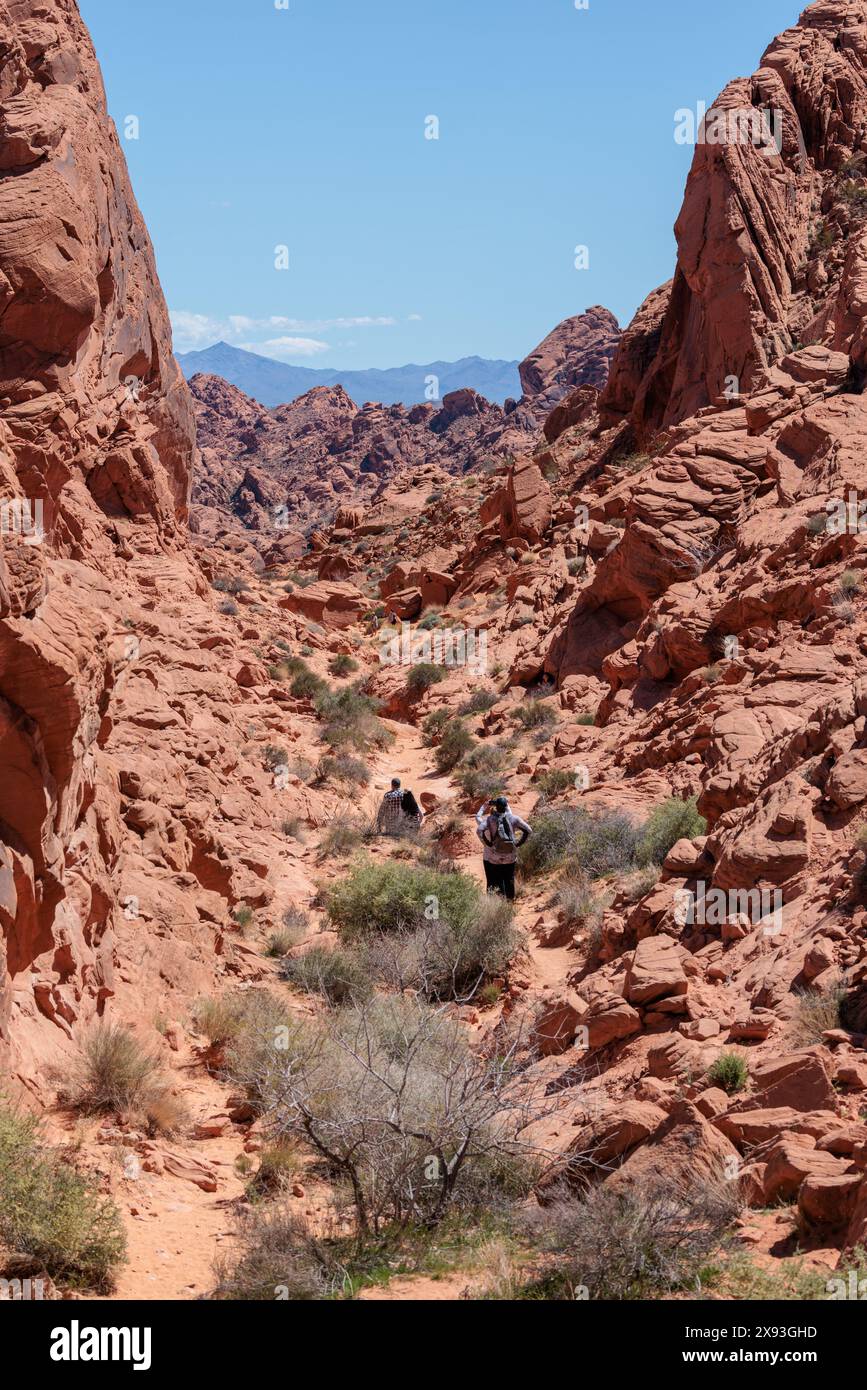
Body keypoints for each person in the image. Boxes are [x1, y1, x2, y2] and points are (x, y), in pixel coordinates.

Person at [476, 797, 531, 900]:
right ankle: (510, 903)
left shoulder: (490, 820)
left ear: (496, 807)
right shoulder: (513, 818)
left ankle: (497, 902)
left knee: (495, 880)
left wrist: (488, 844)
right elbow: (528, 830)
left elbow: (479, 830)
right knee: (509, 878)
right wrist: (518, 844)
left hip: (494, 857)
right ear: (506, 806)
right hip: (510, 855)